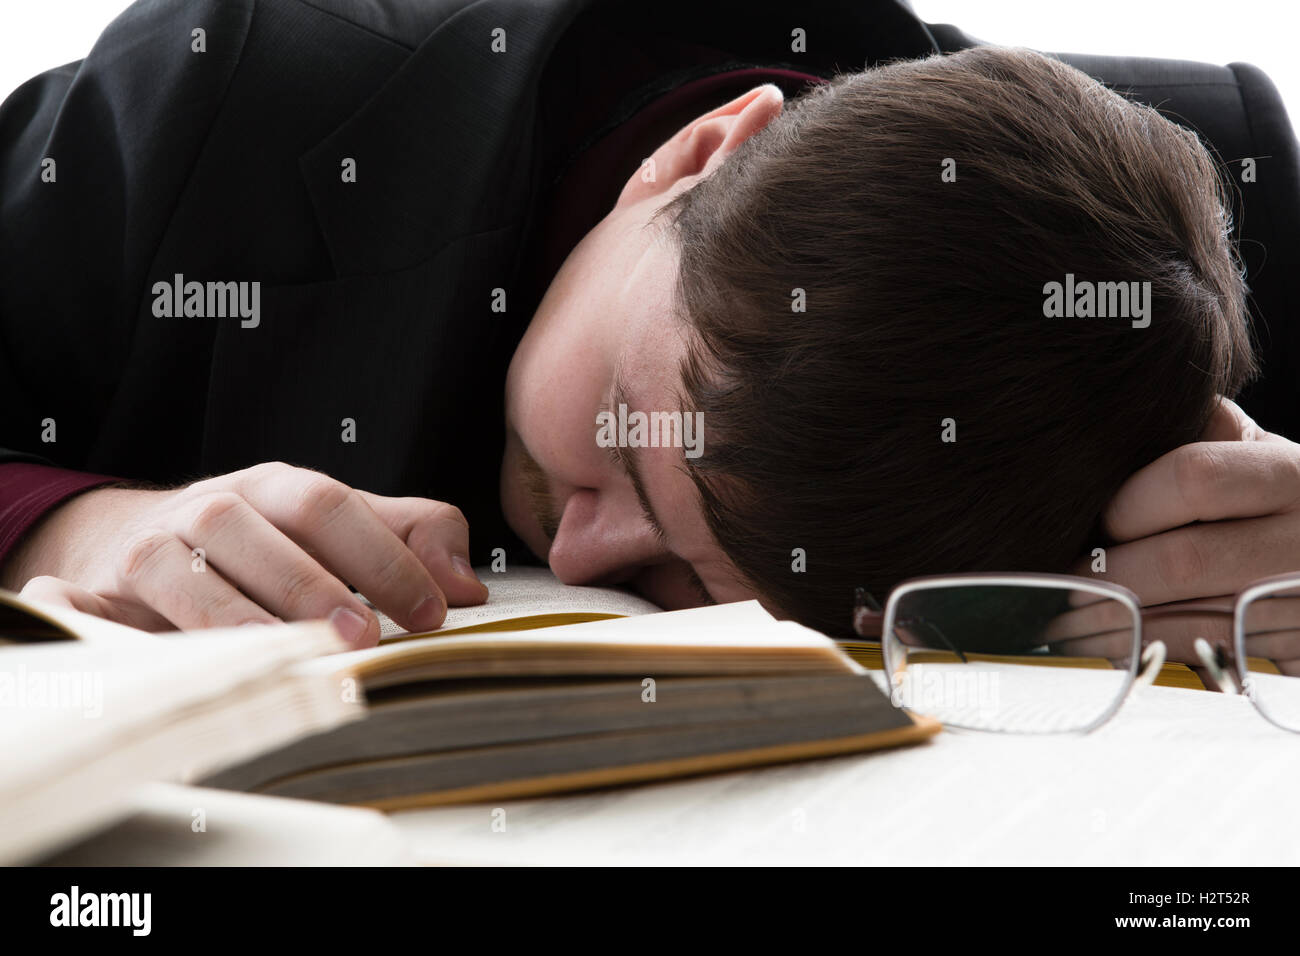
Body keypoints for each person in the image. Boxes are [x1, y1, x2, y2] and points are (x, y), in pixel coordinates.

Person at [0, 0, 1297, 666]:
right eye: (622, 441)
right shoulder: (225, 96)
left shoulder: (1238, 214)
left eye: (696, 584)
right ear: (694, 155)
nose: (574, 551)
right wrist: (72, 528)